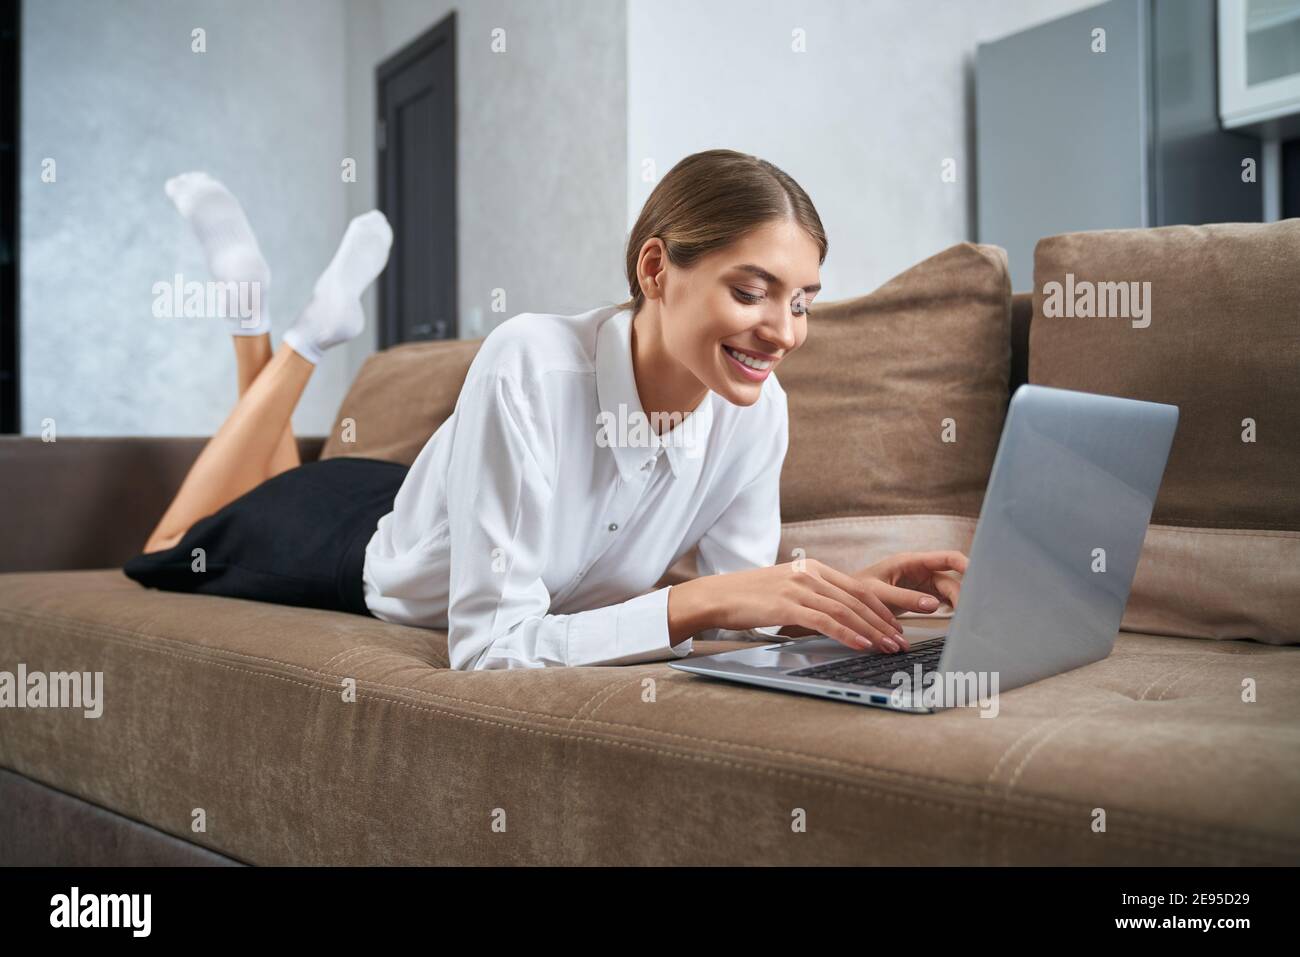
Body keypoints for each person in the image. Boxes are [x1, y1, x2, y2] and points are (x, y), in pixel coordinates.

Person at [125, 150, 966, 671]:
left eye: (805, 301)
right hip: (358, 545)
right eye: (752, 292)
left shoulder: (756, 411)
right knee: (170, 548)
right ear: (655, 269)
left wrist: (833, 596)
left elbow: (735, 614)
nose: (784, 331)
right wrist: (702, 603)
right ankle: (293, 334)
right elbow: (489, 648)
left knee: (259, 477)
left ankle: (271, 314)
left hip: (434, 501)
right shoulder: (530, 363)